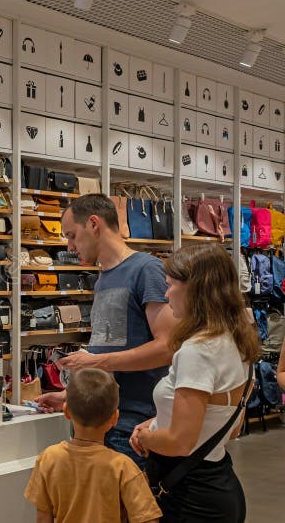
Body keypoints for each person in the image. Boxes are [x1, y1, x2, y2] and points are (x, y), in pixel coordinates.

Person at [36, 194, 177, 466]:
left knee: (130, 507)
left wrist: (95, 361)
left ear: (93, 224)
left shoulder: (146, 270)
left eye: (72, 235)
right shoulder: (103, 278)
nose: (69, 245)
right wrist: (70, 395)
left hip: (134, 424)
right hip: (102, 419)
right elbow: (113, 349)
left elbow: (168, 347)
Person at [129, 243, 259, 522]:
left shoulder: (197, 350)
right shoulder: (237, 341)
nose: (165, 294)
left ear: (195, 288)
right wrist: (156, 422)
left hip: (190, 497)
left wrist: (145, 437)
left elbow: (179, 442)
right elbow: (230, 427)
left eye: (170, 285)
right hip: (216, 482)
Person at [24, 368, 162, 523]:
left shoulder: (48, 458)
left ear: (67, 411)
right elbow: (148, 519)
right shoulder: (123, 467)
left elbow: (43, 517)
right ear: (114, 418)